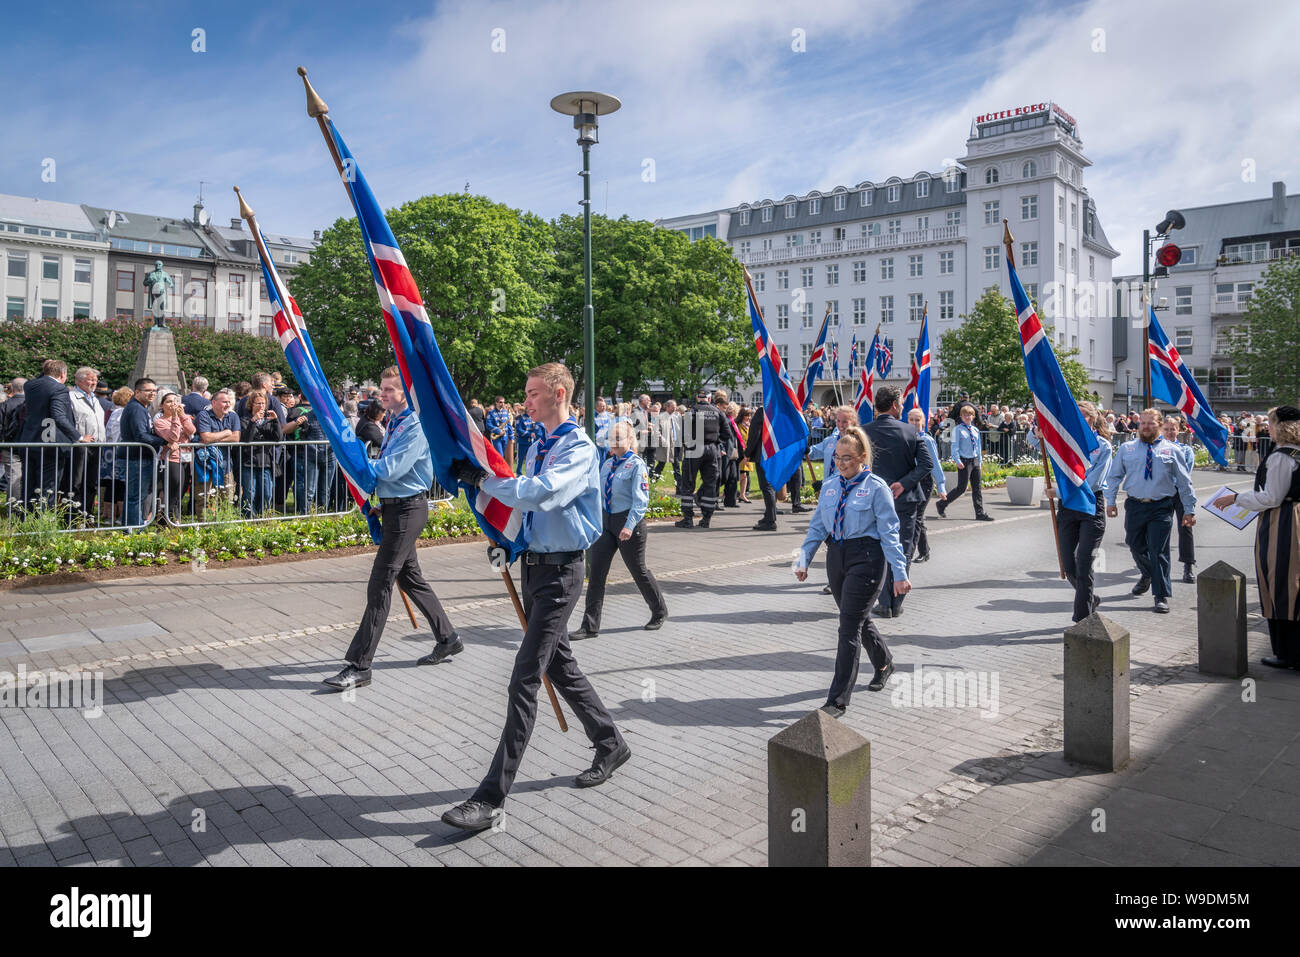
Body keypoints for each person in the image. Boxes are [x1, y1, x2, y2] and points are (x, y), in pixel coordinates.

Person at [444, 362, 630, 832]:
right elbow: (527, 512)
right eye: (525, 393)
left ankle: (490, 798)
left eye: (532, 393)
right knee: (559, 666)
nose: (524, 401)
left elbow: (543, 495)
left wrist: (484, 482)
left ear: (559, 393)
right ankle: (610, 742)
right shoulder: (539, 446)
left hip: (563, 572)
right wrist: (506, 540)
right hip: (534, 568)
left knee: (524, 677)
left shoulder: (578, 448)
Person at [324, 366, 462, 691]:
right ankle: (448, 637)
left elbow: (391, 468)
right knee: (411, 578)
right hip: (395, 509)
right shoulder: (396, 422)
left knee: (379, 585)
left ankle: (359, 666)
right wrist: (379, 500)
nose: (381, 395)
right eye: (382, 390)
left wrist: (356, 460)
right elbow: (391, 473)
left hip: (408, 511)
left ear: (404, 393)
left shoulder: (413, 425)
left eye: (388, 390)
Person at [794, 426, 910, 716]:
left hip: (867, 559)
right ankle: (884, 661)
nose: (840, 463)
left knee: (847, 628)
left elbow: (890, 533)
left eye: (847, 457)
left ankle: (837, 700)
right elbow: (818, 526)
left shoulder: (876, 488)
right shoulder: (831, 486)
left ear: (862, 457)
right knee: (856, 619)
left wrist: (899, 572)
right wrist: (804, 558)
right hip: (837, 557)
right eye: (836, 457)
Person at [1212, 406, 1300, 669]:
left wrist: (1236, 498)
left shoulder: (1282, 457)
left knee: (1280, 582)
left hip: (1283, 521)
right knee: (1290, 582)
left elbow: (1272, 497)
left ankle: (1288, 653)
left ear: (1281, 427)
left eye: (1270, 424)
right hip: (1291, 517)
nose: (1267, 429)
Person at [570, 420, 668, 640]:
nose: (613, 443)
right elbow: (597, 494)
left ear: (630, 440)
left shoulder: (636, 465)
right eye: (610, 439)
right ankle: (590, 625)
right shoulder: (606, 465)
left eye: (618, 439)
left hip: (628, 523)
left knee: (638, 571)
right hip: (607, 523)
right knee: (596, 574)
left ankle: (659, 610)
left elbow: (640, 501)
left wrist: (629, 526)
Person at [1104, 408, 1196, 614]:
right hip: (1135, 505)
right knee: (1134, 545)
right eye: (1142, 423)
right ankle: (1147, 574)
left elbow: (1184, 482)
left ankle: (1161, 595)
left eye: (1150, 423)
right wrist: (1110, 501)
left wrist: (1189, 509)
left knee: (1158, 550)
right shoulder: (1127, 449)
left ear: (1159, 425)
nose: (1145, 427)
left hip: (1161, 506)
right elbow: (1114, 477)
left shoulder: (1173, 450)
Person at [864, 385, 933, 619]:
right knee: (903, 548)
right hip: (905, 499)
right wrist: (904, 483)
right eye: (902, 403)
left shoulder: (863, 433)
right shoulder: (911, 432)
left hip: (873, 500)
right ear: (894, 405)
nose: (902, 407)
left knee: (880, 548)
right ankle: (895, 601)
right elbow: (927, 465)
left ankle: (884, 601)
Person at [1040, 400, 1113, 622]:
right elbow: (1034, 441)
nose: (1081, 420)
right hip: (1069, 508)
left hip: (1091, 507)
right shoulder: (1066, 443)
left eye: (1085, 416)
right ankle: (1090, 597)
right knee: (1068, 563)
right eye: (1077, 416)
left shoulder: (1103, 446)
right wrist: (1039, 430)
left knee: (1083, 564)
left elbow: (1090, 484)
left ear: (1094, 418)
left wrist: (1059, 492)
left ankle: (1082, 620)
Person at [20, 359, 90, 509]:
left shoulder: (30, 386)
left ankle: (25, 521)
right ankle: (42, 524)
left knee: (28, 485)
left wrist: (45, 369)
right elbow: (59, 416)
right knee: (47, 488)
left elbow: (42, 380)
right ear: (63, 373)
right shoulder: (59, 388)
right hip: (51, 444)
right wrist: (78, 436)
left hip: (29, 442)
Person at [116, 378, 167, 529]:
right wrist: (163, 441)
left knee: (135, 496)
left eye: (154, 391)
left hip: (139, 457)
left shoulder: (141, 407)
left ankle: (129, 529)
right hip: (137, 458)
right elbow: (141, 435)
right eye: (148, 390)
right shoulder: (136, 409)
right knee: (136, 497)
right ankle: (134, 531)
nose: (152, 393)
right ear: (137, 392)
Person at [676, 388, 723, 529]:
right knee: (710, 484)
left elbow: (684, 433)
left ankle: (688, 519)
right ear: (709, 399)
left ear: (698, 398)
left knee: (688, 484)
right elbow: (726, 432)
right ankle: (706, 519)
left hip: (693, 450)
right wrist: (715, 441)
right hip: (712, 450)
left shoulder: (692, 411)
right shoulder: (717, 412)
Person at [936, 403, 992, 521]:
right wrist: (957, 460)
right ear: (961, 416)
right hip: (964, 461)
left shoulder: (975, 430)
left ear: (973, 417)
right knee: (961, 488)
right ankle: (942, 504)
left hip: (975, 460)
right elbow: (954, 447)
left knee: (977, 488)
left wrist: (980, 462)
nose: (967, 417)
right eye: (965, 415)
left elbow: (978, 446)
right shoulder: (958, 430)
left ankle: (979, 513)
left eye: (970, 415)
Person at [1160, 414, 1197, 583]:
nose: (1169, 432)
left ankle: (1188, 566)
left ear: (1178, 430)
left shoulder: (1185, 450)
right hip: (1163, 494)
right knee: (1160, 530)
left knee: (1185, 529)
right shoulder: (1156, 448)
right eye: (1166, 429)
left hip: (1180, 492)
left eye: (1172, 429)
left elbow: (1184, 473)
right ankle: (1158, 565)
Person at [907, 408, 947, 563]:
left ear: (923, 422)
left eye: (918, 420)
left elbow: (935, 465)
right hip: (909, 481)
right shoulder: (905, 437)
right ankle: (925, 551)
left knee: (916, 517)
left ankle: (908, 554)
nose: (915, 423)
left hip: (924, 482)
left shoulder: (927, 440)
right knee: (918, 518)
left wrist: (941, 486)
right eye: (912, 419)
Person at [68, 367, 106, 517]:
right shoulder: (71, 397)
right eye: (90, 379)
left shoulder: (94, 398)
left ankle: (87, 515)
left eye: (95, 380)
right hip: (79, 446)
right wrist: (78, 436)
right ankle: (71, 517)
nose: (94, 383)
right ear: (79, 380)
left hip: (96, 445)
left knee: (91, 483)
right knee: (76, 482)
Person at [153, 392, 196, 522]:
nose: (173, 404)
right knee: (173, 491)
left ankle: (174, 519)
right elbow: (173, 437)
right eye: (169, 402)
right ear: (162, 405)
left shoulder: (183, 417)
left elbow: (192, 431)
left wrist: (182, 415)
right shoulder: (159, 422)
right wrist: (175, 418)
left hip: (185, 458)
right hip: (171, 459)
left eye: (175, 401)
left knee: (181, 491)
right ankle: (168, 520)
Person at [238, 389, 281, 517]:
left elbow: (278, 438)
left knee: (267, 493)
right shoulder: (244, 420)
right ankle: (249, 518)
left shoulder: (268, 420)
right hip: (248, 461)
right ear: (251, 404)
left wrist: (275, 421)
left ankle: (263, 517)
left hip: (265, 461)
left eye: (263, 403)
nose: (261, 406)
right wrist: (253, 421)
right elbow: (247, 439)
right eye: (258, 403)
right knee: (249, 492)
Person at [0, 377, 26, 499]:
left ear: (13, 388)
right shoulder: (32, 404)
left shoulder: (4, 405)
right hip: (30, 445)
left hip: (9, 446)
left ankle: (14, 510)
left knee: (13, 477)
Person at [736, 407, 755, 503]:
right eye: (747, 415)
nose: (749, 417)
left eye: (750, 415)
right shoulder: (738, 426)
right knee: (741, 475)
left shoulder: (750, 426)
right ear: (742, 416)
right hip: (740, 453)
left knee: (745, 475)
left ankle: (742, 494)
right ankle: (728, 493)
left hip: (748, 453)